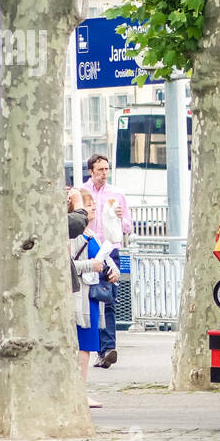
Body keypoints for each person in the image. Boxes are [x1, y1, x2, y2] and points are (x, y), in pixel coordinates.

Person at [70, 188, 118, 409]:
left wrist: (112, 270)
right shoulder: (74, 236)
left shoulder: (91, 234)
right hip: (78, 295)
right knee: (81, 346)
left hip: (90, 294)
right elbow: (66, 265)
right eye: (89, 206)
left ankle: (81, 390)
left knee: (87, 347)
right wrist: (92, 265)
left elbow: (103, 258)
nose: (93, 209)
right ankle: (78, 393)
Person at [83, 155, 133, 369]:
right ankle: (90, 347)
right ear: (91, 171)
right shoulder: (81, 193)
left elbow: (129, 227)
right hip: (87, 250)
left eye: (107, 169)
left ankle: (107, 349)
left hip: (110, 251)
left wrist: (121, 218)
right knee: (87, 300)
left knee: (108, 298)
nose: (104, 172)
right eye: (100, 169)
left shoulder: (117, 194)